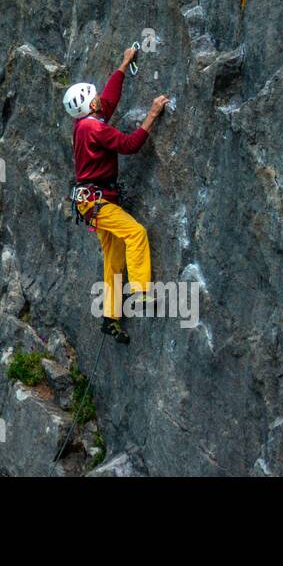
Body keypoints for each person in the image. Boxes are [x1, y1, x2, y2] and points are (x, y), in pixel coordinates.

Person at [63, 46, 168, 344]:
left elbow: (109, 99)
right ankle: (141, 292)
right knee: (135, 233)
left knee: (114, 257)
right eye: (94, 96)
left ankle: (110, 318)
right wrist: (152, 114)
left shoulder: (84, 125)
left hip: (92, 203)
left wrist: (123, 65)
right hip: (98, 202)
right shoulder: (95, 129)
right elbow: (130, 145)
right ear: (89, 104)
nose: (99, 97)